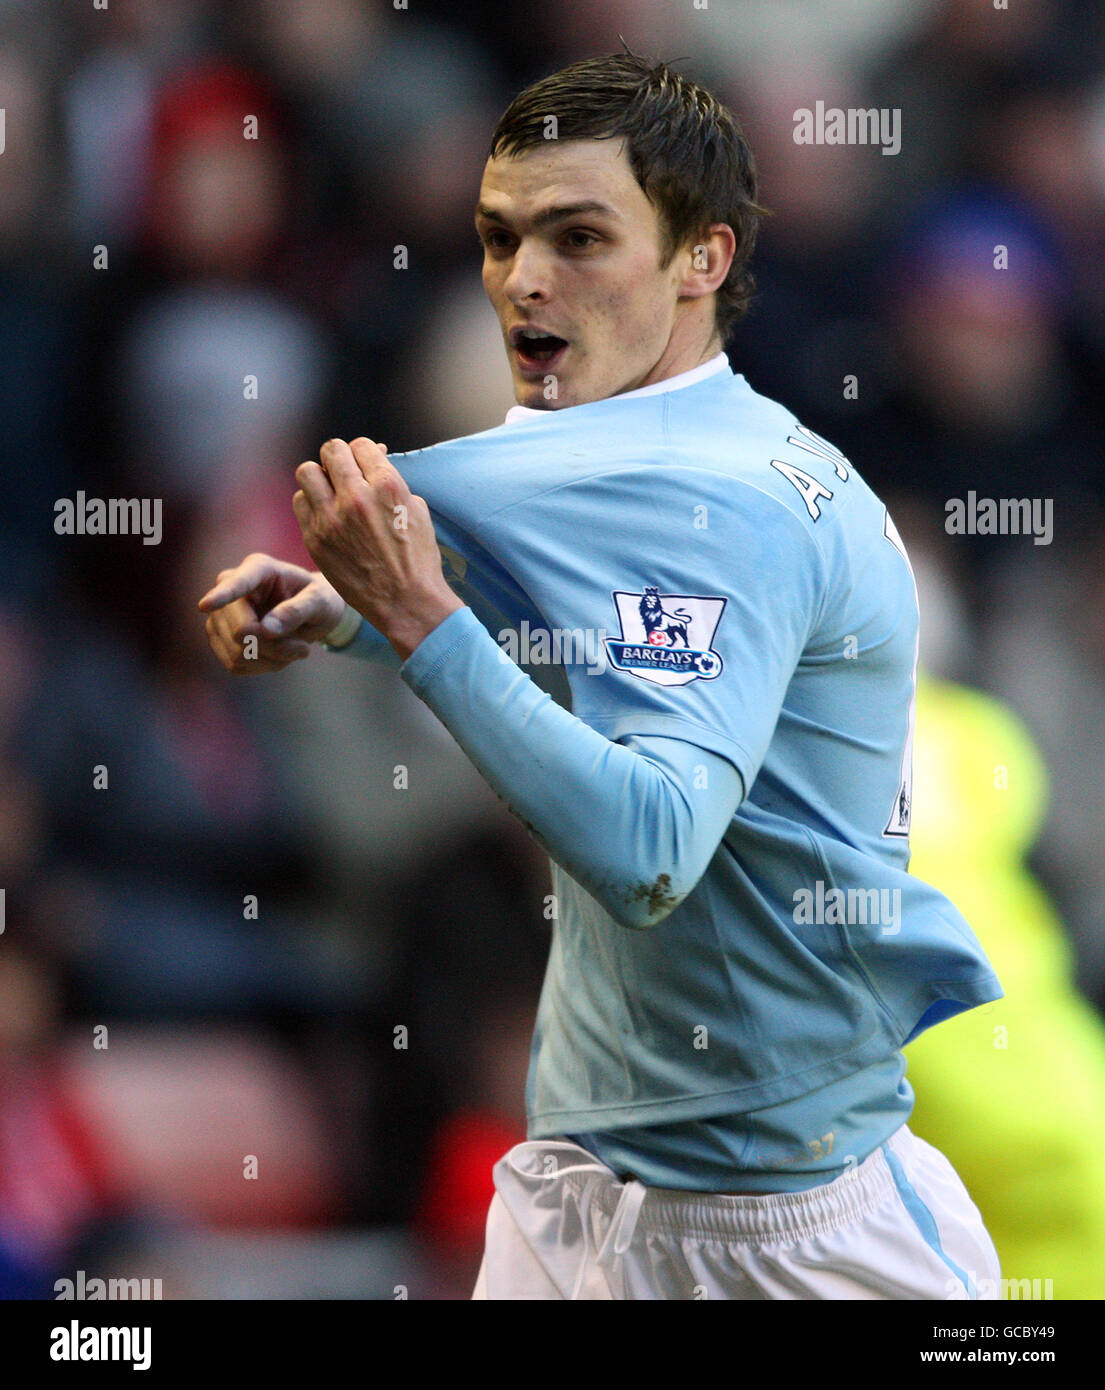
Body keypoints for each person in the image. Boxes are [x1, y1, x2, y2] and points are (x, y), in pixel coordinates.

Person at [199, 53, 1002, 1300]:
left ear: (703, 259)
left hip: (787, 1239)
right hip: (580, 1208)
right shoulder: (620, 454)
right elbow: (583, 656)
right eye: (500, 236)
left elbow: (651, 853)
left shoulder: (726, 506)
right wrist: (348, 617)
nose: (522, 280)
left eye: (579, 236)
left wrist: (417, 619)